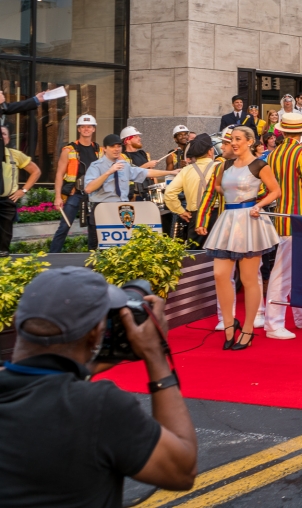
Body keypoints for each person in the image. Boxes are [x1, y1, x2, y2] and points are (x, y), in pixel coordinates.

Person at [0, 267, 197, 504]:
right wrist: (155, 356)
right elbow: (182, 472)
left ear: (15, 320)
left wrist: (87, 368)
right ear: (95, 334)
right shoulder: (98, 406)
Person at [194, 126, 281, 351]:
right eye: (231, 139)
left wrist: (257, 204)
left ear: (250, 141)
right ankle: (229, 322)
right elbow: (216, 188)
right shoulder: (225, 165)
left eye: (238, 139)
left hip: (249, 222)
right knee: (220, 274)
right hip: (228, 219)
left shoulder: (260, 165)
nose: (233, 143)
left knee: (249, 278)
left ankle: (249, 328)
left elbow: (275, 191)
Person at [262, 114, 302, 341]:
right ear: (301, 132)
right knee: (285, 272)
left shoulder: (275, 154)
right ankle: (274, 323)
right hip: (300, 217)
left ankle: (299, 317)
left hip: (283, 216)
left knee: (294, 271)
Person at [82, 135, 176, 249]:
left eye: (118, 146)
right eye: (112, 146)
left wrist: (172, 172)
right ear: (105, 148)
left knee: (121, 246)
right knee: (98, 247)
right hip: (102, 209)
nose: (116, 149)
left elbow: (146, 173)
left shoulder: (125, 165)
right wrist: (108, 172)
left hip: (121, 209)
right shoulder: (96, 166)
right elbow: (88, 188)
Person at [50, 114, 99, 253]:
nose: (86, 129)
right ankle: (52, 256)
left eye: (89, 126)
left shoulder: (99, 150)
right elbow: (59, 174)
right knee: (64, 226)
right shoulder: (69, 150)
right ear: (79, 129)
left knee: (93, 227)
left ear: (93, 129)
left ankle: (92, 256)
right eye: (83, 126)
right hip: (75, 194)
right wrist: (58, 196)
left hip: (93, 195)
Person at [163, 133, 219, 243]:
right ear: (210, 151)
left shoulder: (186, 170)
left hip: (195, 216)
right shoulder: (220, 167)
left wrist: (180, 211)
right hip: (218, 214)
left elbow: (169, 194)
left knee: (195, 255)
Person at [0, 126, 39, 255]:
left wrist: (23, 190)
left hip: (7, 201)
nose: (1, 136)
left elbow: (36, 171)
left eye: (3, 134)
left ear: (7, 138)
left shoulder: (14, 154)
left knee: (4, 242)